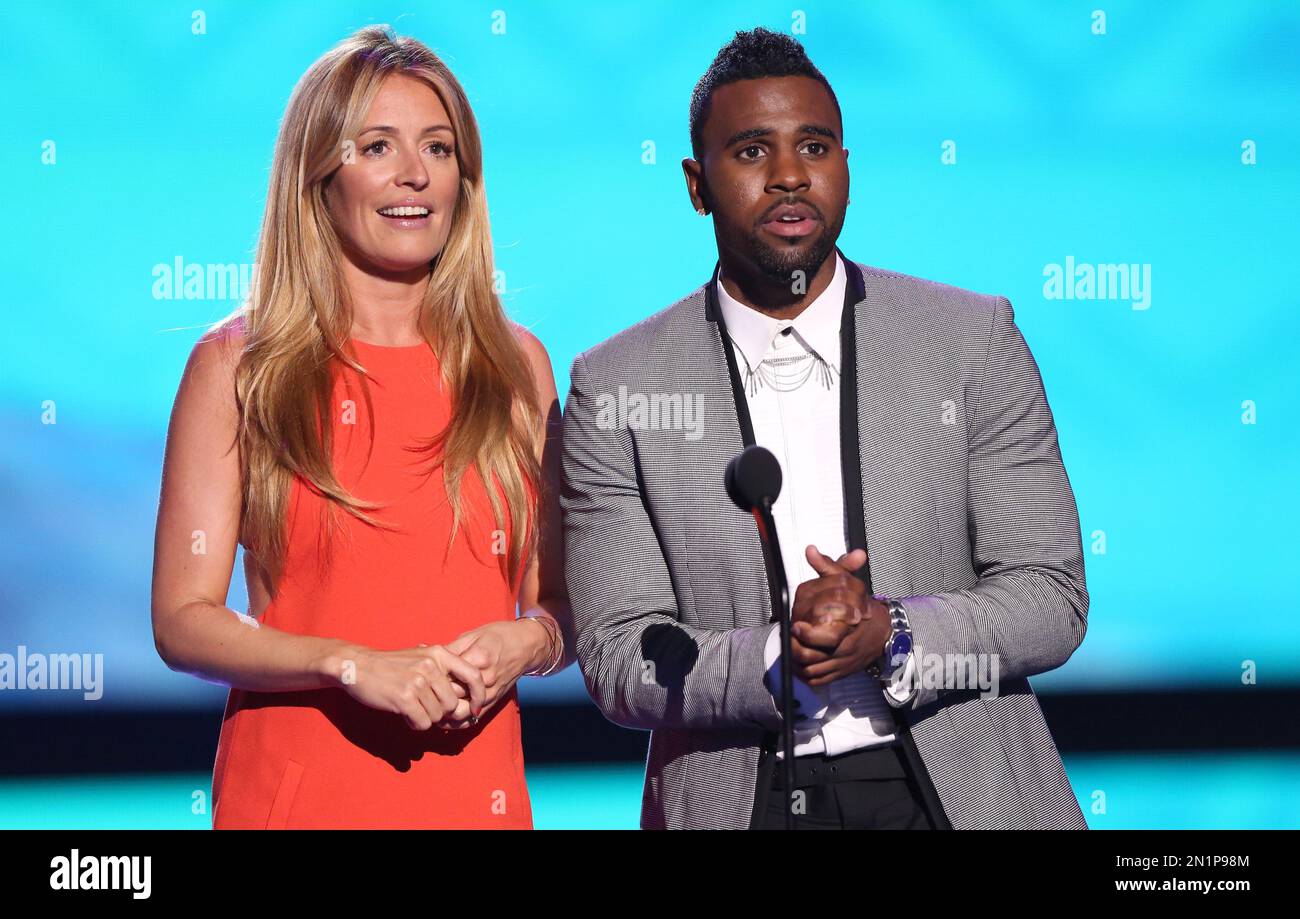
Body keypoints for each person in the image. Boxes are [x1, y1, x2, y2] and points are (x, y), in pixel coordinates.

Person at [561, 27, 1089, 829]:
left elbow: (1051, 596)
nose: (788, 177)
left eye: (814, 146)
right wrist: (776, 657)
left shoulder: (970, 338)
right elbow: (617, 654)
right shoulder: (615, 385)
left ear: (847, 166)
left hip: (956, 788)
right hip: (743, 795)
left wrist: (894, 631)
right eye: (750, 152)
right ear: (696, 185)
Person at [151, 25, 571, 829]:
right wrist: (347, 664)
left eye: (439, 149)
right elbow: (182, 617)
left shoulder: (516, 367)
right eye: (377, 146)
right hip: (298, 794)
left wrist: (525, 645)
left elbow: (560, 607)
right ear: (319, 175)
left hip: (472, 796)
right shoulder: (239, 367)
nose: (415, 174)